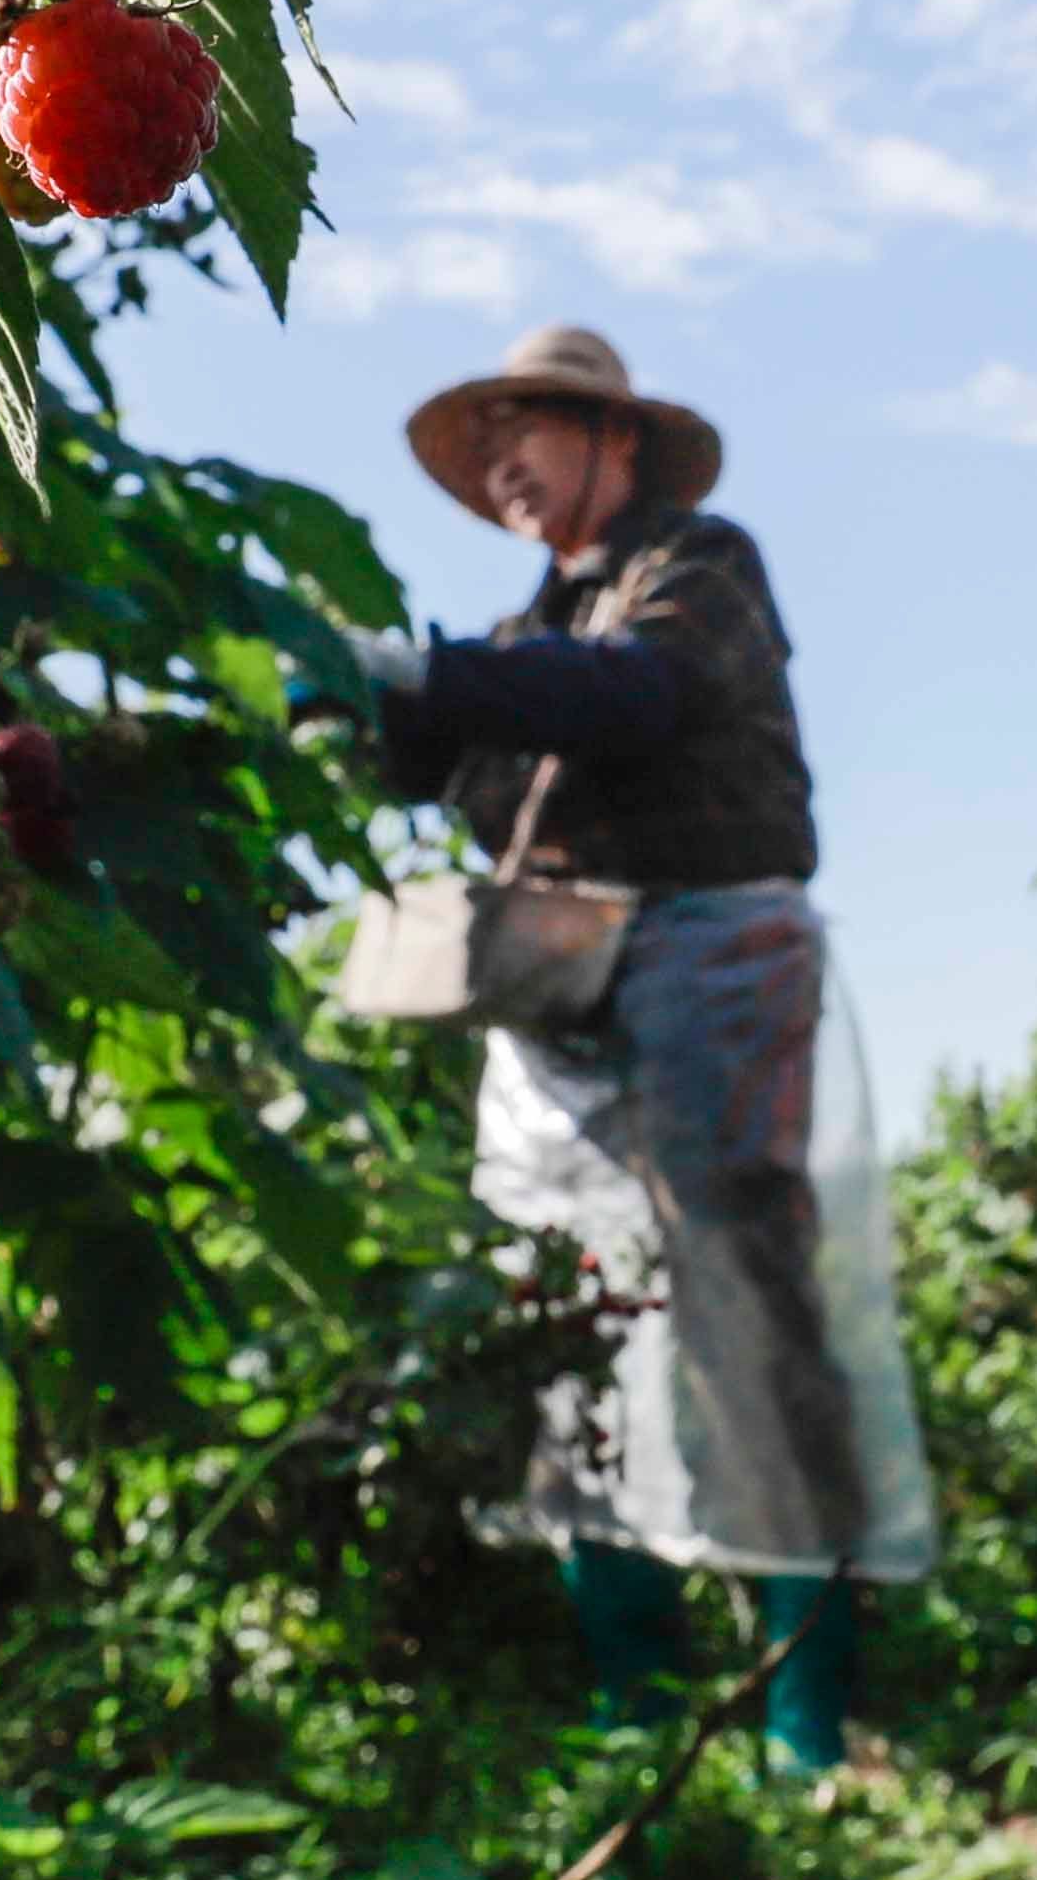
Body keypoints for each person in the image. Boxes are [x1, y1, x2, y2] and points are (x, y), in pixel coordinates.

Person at [352, 327, 934, 1776]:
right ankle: (638, 1693)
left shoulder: (698, 569)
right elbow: (471, 758)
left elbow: (630, 698)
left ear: (615, 437)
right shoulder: (529, 631)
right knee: (572, 1304)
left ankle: (806, 1707)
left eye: (526, 430)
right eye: (487, 444)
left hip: (705, 960)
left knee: (739, 1293)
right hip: (571, 985)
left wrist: (430, 673)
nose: (502, 466)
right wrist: (365, 702)